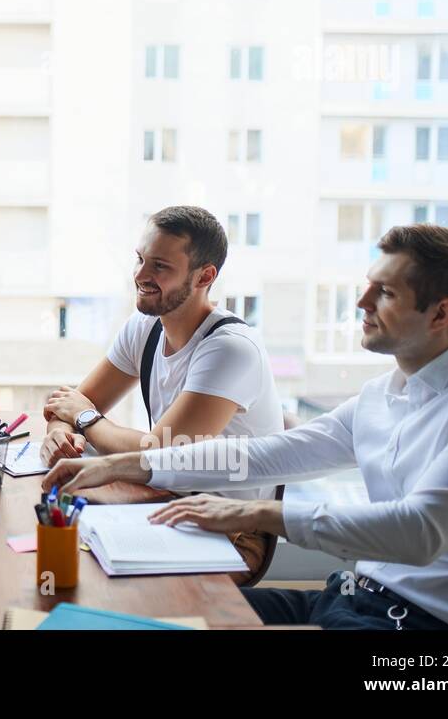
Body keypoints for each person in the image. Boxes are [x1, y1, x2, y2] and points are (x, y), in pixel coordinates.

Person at [44, 224, 448, 630]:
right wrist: (116, 463)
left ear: (441, 313)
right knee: (145, 616)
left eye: (385, 292)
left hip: (433, 632)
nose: (361, 303)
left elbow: (421, 531)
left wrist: (258, 512)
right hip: (353, 598)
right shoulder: (382, 396)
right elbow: (262, 454)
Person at [39, 205, 284, 581]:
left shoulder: (231, 350)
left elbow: (163, 452)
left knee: (98, 580)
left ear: (205, 276)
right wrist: (59, 434)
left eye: (160, 266)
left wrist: (84, 419)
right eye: (140, 259)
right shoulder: (146, 326)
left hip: (229, 529)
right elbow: (69, 405)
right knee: (54, 551)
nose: (140, 275)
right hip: (164, 502)